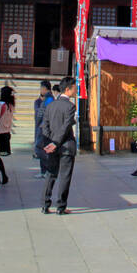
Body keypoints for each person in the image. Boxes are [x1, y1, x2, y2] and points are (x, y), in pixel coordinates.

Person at [41, 76, 78, 214]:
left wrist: (49, 142)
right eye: (74, 87)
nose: (76, 90)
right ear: (68, 89)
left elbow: (45, 126)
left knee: (50, 174)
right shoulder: (70, 106)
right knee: (65, 176)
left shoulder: (50, 105)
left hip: (52, 146)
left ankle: (45, 204)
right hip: (65, 145)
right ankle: (61, 206)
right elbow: (65, 127)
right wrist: (55, 142)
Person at [33, 81, 54, 178]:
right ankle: (43, 171)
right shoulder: (46, 99)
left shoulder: (49, 99)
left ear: (45, 88)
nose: (40, 90)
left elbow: (47, 114)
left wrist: (43, 125)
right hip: (41, 126)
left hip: (43, 127)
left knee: (40, 148)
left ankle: (48, 170)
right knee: (41, 148)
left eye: (41, 88)